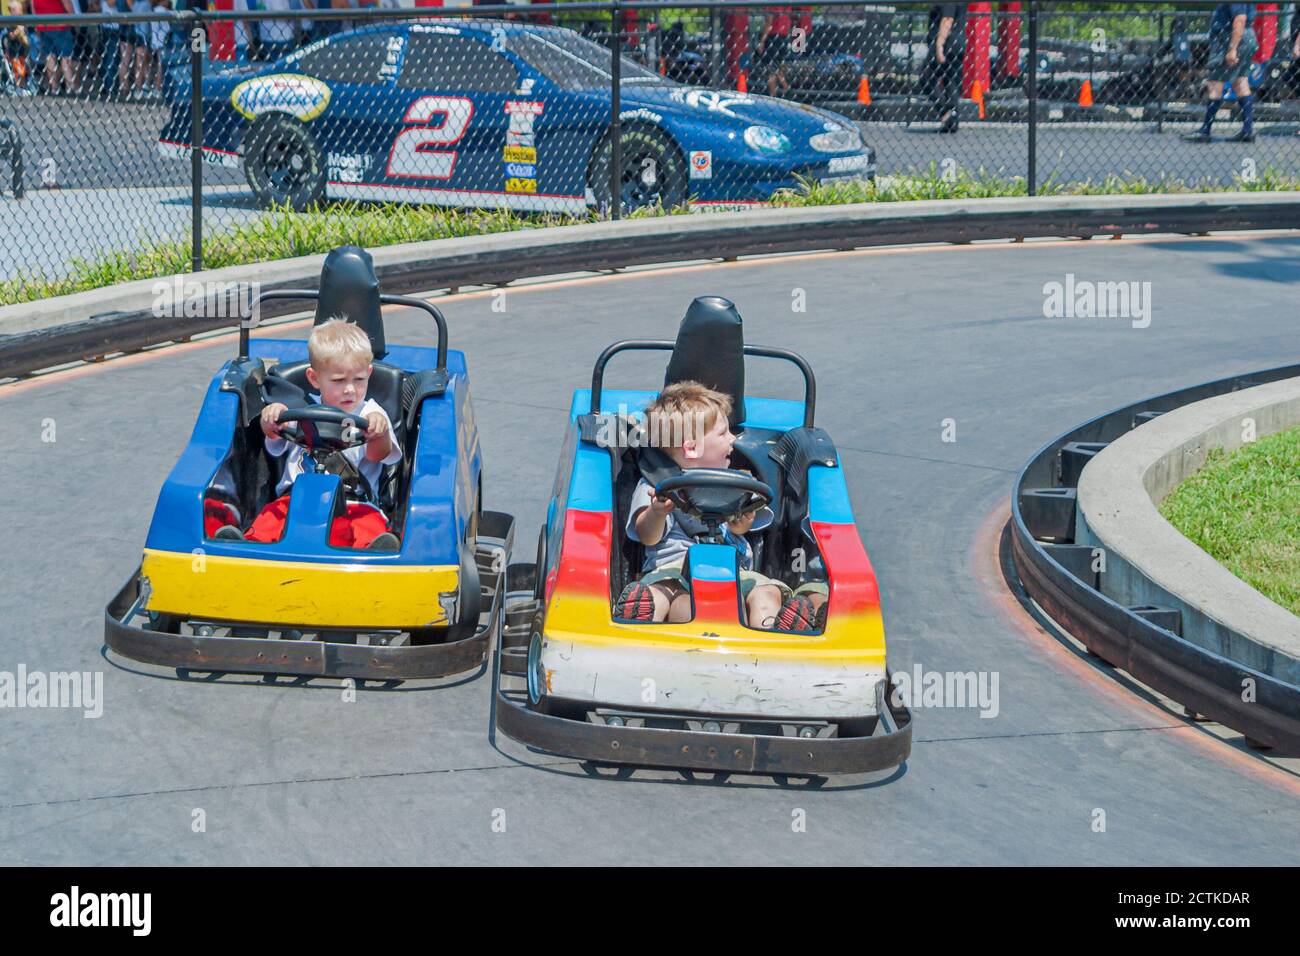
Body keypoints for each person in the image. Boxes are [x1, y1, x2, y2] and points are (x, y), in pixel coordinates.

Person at [614, 381, 828, 631]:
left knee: (767, 592)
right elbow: (647, 537)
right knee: (670, 598)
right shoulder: (658, 486)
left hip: (735, 574)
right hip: (674, 573)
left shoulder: (739, 482)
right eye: (723, 433)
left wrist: (742, 522)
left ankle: (773, 627)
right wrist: (657, 512)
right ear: (691, 448)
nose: (733, 439)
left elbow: (742, 530)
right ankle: (644, 614)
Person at [209, 319, 403, 551]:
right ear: (314, 379)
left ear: (369, 373)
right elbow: (272, 438)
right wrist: (271, 417)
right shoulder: (298, 410)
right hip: (293, 502)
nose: (350, 389)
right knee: (269, 520)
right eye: (339, 381)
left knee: (370, 525)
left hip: (354, 502)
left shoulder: (371, 413)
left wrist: (378, 433)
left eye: (359, 379)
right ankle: (243, 546)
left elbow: (377, 456)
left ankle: (376, 551)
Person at [1184, 3, 1258, 143]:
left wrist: (1232, 48)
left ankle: (1205, 130)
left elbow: (1240, 18)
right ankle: (1248, 130)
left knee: (1214, 84)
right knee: (1240, 82)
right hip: (1246, 36)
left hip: (1229, 38)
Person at [923, 2, 966, 134]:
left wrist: (939, 46)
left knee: (925, 78)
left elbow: (947, 20)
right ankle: (951, 122)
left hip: (946, 45)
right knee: (950, 82)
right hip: (956, 44)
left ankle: (945, 111)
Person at [32, 0, 78, 94]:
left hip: (43, 24)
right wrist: (72, 18)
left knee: (49, 56)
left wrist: (36, 24)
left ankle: (54, 86)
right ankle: (70, 85)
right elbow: (67, 4)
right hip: (60, 24)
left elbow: (33, 6)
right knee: (66, 56)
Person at [756, 4, 792, 97]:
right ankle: (786, 88)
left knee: (770, 68)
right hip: (783, 36)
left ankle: (774, 95)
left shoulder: (771, 3)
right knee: (777, 65)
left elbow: (769, 22)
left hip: (773, 37)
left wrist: (762, 41)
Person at [3, 1, 31, 89]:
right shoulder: (9, 22)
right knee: (17, 68)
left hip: (23, 50)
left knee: (23, 67)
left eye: (20, 10)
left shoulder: (21, 20)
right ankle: (19, 86)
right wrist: (18, 31)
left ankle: (24, 85)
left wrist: (21, 29)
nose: (19, 12)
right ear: (11, 11)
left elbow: (24, 30)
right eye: (15, 10)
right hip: (13, 50)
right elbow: (10, 36)